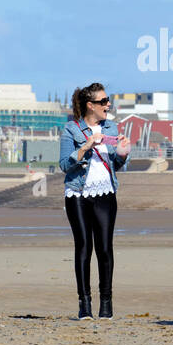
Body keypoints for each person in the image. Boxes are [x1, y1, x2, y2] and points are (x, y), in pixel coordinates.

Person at [59, 83, 131, 320]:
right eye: (103, 102)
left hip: (106, 192)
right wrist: (87, 146)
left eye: (108, 101)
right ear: (90, 105)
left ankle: (106, 304)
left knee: (104, 248)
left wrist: (123, 153)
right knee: (83, 247)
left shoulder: (112, 126)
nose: (107, 105)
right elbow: (64, 165)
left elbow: (119, 165)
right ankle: (84, 304)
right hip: (77, 193)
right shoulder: (71, 129)